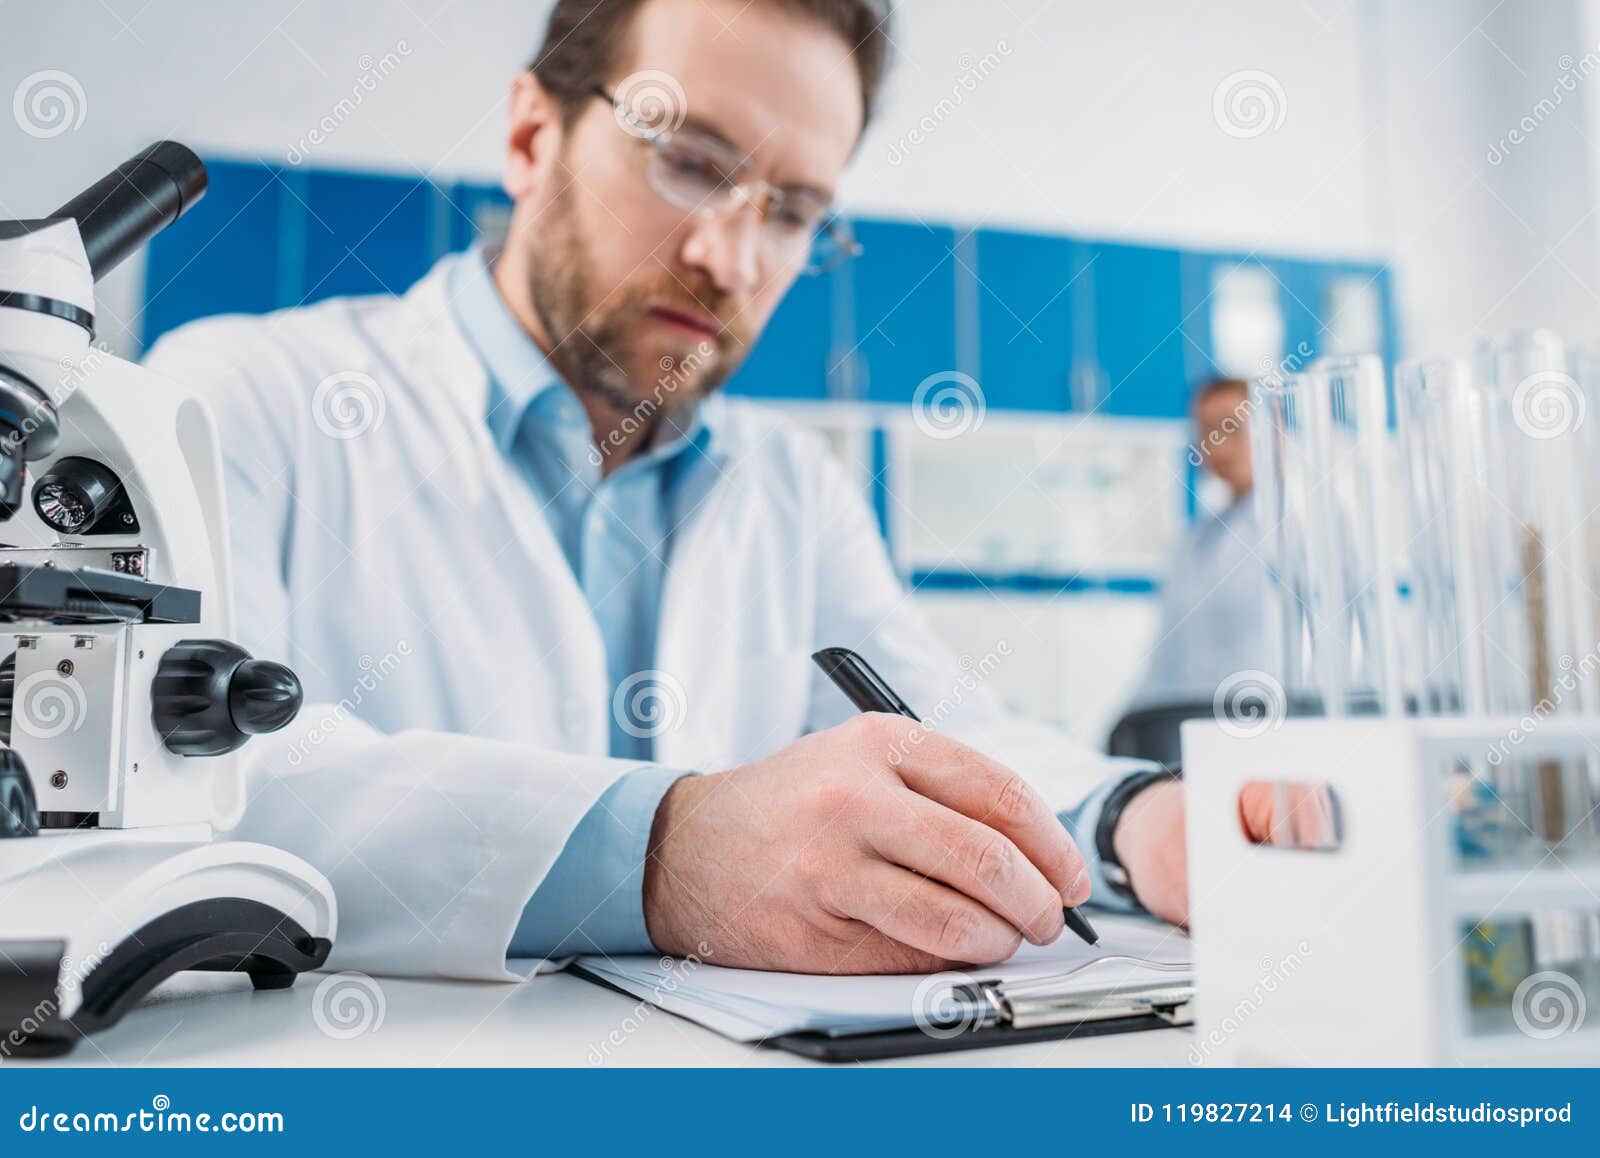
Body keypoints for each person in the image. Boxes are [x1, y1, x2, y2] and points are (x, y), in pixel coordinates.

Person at [146, 0, 1225, 982]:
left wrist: (1138, 823)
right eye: (693, 163)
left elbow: (943, 734)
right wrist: (665, 853)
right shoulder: (243, 396)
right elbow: (183, 783)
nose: (731, 256)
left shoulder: (790, 486)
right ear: (532, 136)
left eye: (794, 210)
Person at [1130, 377, 1271, 709]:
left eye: (1230, 428)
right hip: (1189, 723)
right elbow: (1166, 655)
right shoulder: (1196, 540)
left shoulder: (1299, 532)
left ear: (1272, 429)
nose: (1217, 446)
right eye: (1206, 431)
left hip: (1269, 724)